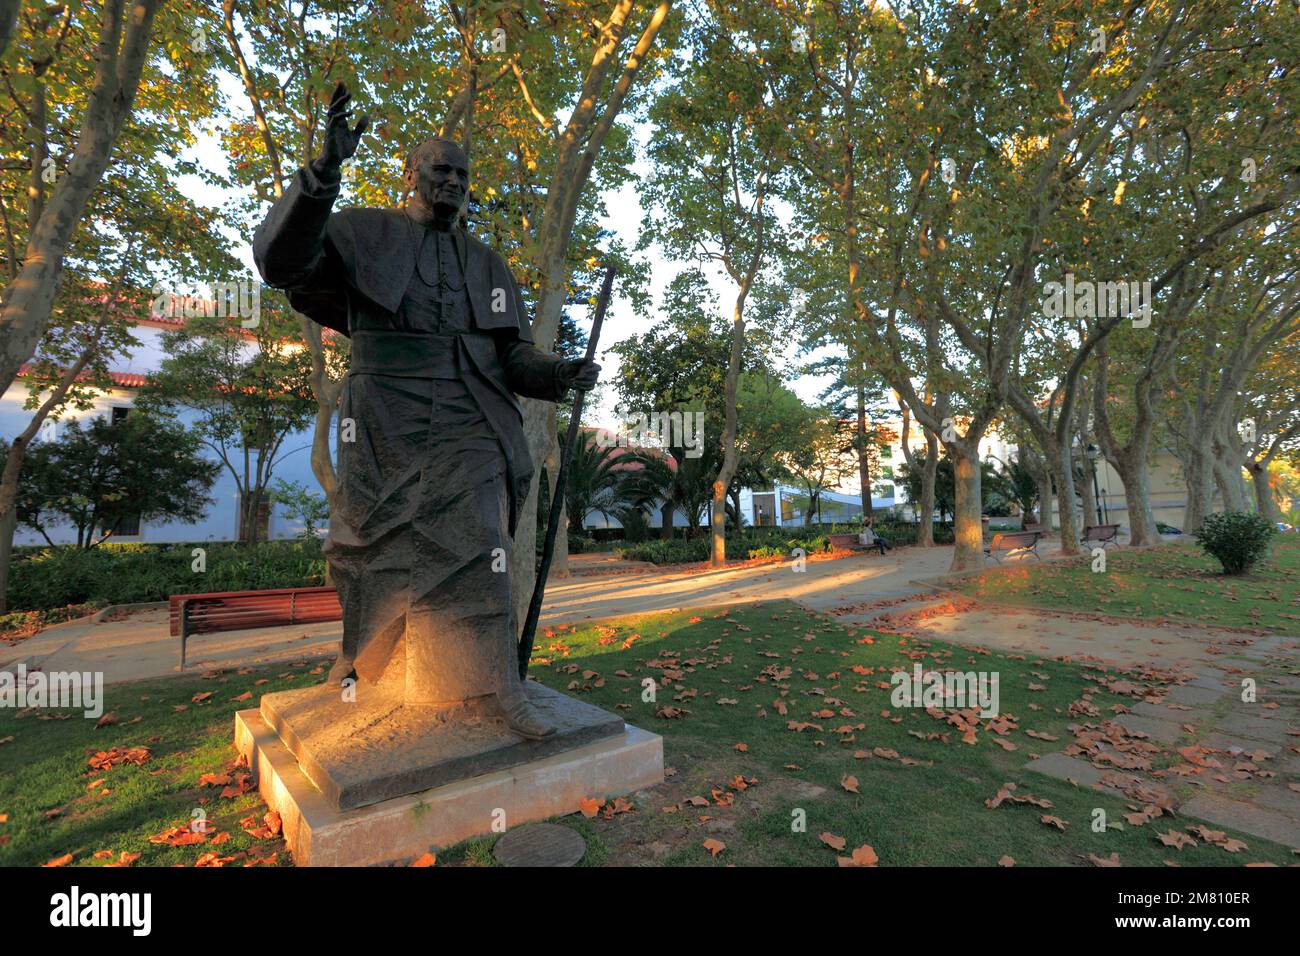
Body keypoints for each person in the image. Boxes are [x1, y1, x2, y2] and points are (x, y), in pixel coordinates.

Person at [253, 83, 598, 741]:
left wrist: (560, 373)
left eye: (463, 174)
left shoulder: (488, 264)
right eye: (442, 169)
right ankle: (365, 669)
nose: (454, 182)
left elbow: (513, 358)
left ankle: (495, 688)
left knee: (482, 542)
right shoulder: (364, 232)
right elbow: (279, 261)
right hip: (385, 412)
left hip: (471, 414)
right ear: (410, 174)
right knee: (370, 547)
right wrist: (321, 173)